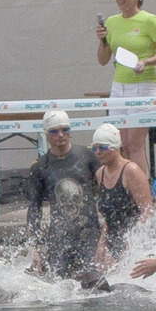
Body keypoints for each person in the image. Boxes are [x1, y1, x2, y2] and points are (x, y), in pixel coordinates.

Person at [96, 0, 156, 172]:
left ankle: (141, 190)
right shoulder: (112, 22)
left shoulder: (150, 20)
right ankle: (128, 188)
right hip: (119, 86)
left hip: (143, 86)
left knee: (135, 144)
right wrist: (102, 40)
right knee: (121, 144)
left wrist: (146, 61)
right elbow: (103, 60)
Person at [22, 110, 102, 281]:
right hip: (60, 238)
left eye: (65, 130)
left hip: (89, 234)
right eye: (54, 131)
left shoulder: (87, 156)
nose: (61, 135)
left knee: (93, 282)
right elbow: (35, 208)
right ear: (46, 134)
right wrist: (35, 248)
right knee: (59, 287)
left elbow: (107, 189)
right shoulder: (40, 166)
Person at [90, 123, 151, 262]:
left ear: (116, 147)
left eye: (103, 147)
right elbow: (109, 216)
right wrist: (101, 245)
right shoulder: (100, 173)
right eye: (95, 148)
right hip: (113, 242)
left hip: (134, 242)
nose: (98, 152)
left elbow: (147, 213)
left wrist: (131, 247)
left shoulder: (131, 171)